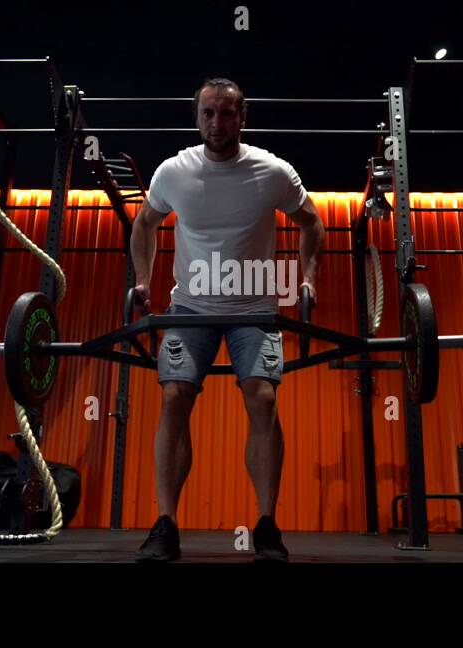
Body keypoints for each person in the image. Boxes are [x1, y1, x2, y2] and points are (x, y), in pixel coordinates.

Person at [129, 78, 324, 562]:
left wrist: (309, 278)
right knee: (174, 397)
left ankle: (266, 526)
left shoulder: (273, 172)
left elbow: (312, 221)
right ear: (197, 117)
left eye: (227, 113)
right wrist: (142, 280)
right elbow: (145, 223)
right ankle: (166, 526)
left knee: (261, 399)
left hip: (254, 310)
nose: (217, 123)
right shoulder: (174, 172)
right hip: (190, 308)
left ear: (243, 116)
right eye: (209, 113)